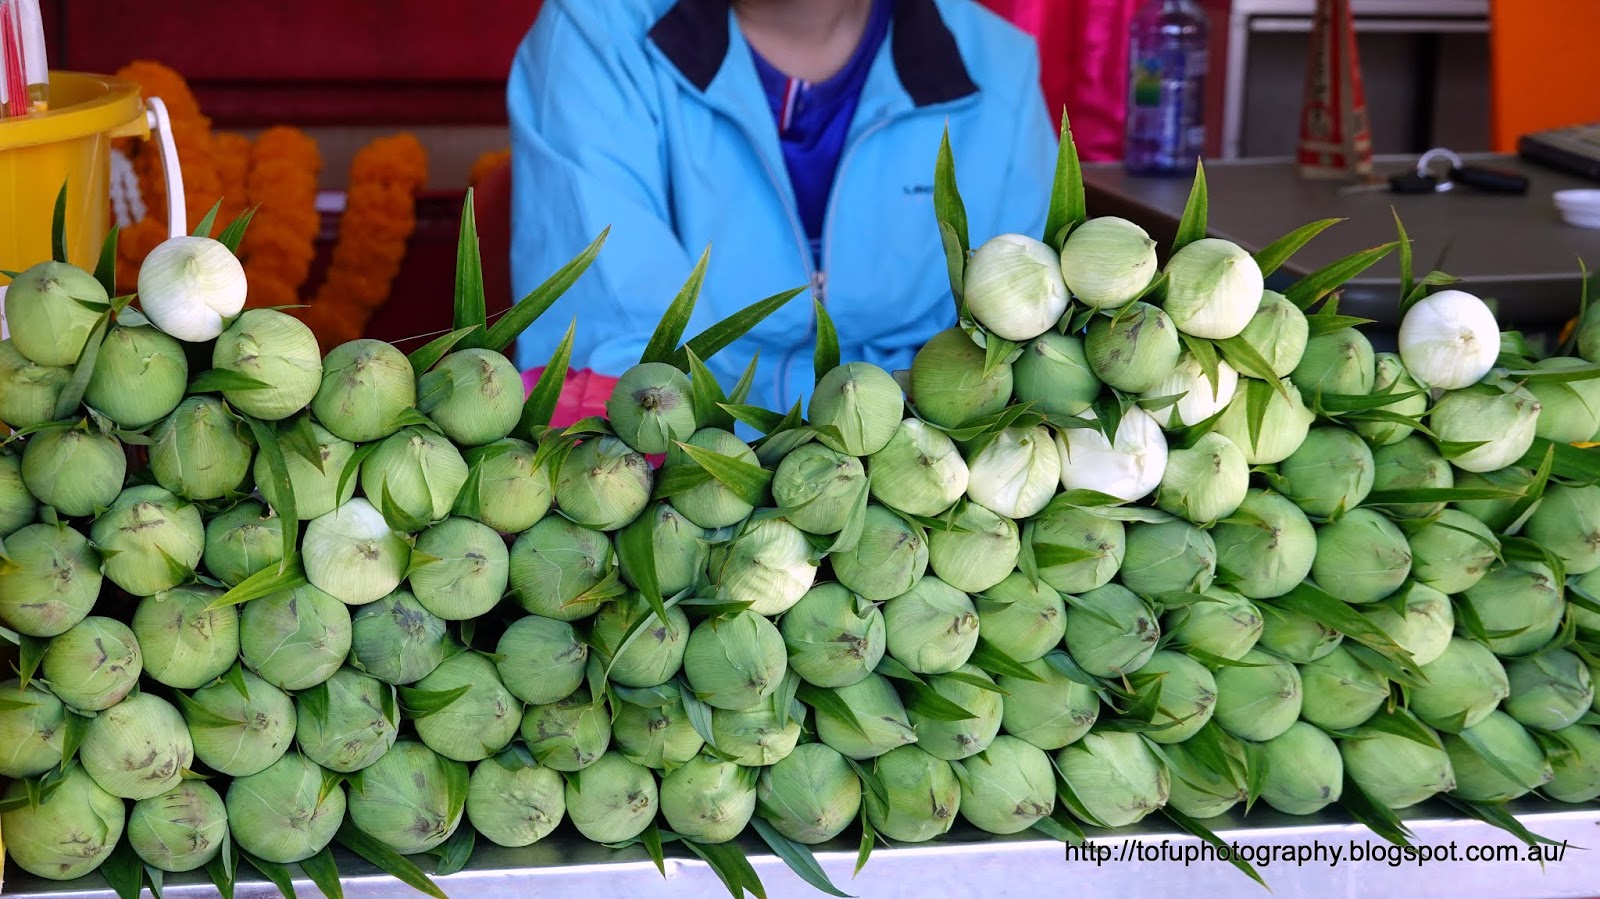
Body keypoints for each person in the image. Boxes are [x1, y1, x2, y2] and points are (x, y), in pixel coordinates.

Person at [507, 0, 1057, 418]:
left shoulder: (998, 65)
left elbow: (1018, 354)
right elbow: (617, 363)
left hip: (919, 501)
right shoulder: (591, 37)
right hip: (680, 488)